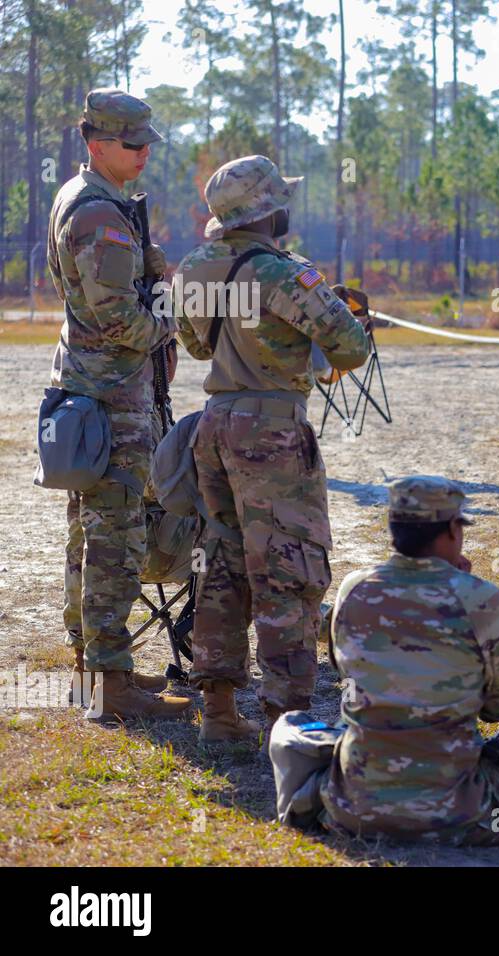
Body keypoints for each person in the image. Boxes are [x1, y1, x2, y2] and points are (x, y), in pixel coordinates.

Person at [171, 155, 369, 742]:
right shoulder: (285, 272)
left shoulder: (194, 267)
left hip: (214, 425)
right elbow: (350, 347)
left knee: (221, 564)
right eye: (281, 199)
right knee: (289, 568)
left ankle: (221, 714)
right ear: (267, 210)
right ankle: (288, 723)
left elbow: (197, 348)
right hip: (274, 430)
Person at [319, 476, 499, 843]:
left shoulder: (354, 587)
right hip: (463, 814)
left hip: (352, 809)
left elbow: (345, 668)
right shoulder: (479, 598)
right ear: (449, 530)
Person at [47, 88, 190, 721]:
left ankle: (91, 667)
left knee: (91, 533)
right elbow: (120, 322)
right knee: (115, 539)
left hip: (93, 393)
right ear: (96, 144)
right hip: (112, 400)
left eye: (147, 142)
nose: (144, 154)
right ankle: (109, 681)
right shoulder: (97, 213)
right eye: (133, 145)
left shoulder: (91, 201)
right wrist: (171, 311)